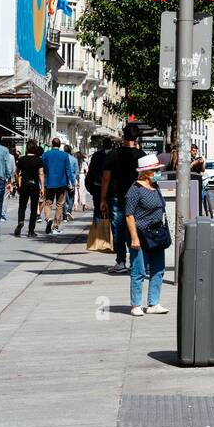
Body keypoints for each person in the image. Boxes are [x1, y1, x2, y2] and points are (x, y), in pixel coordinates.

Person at [124, 154, 172, 317]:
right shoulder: (135, 189)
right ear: (145, 172)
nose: (158, 172)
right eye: (155, 170)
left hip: (156, 234)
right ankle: (136, 304)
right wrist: (134, 238)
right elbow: (129, 215)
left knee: (158, 269)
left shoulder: (155, 186)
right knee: (139, 270)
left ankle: (153, 303)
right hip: (141, 234)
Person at [99, 125, 142, 276]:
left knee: (117, 230)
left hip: (116, 196)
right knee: (133, 229)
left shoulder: (113, 155)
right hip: (136, 198)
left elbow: (105, 179)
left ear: (123, 136)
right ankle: (135, 262)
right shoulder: (141, 155)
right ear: (137, 138)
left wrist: (103, 199)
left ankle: (121, 261)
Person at [40, 138, 70, 234]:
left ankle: (48, 218)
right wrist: (72, 182)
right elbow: (68, 170)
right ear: (60, 145)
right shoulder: (65, 155)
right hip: (62, 182)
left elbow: (43, 168)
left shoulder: (45, 155)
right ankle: (55, 226)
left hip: (49, 183)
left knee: (48, 202)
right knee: (59, 204)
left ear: (52, 144)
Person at [14, 142, 44, 236]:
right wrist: (42, 187)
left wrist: (18, 184)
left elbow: (16, 173)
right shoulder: (39, 160)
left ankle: (21, 221)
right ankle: (31, 230)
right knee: (34, 208)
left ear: (27, 149)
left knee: (22, 206)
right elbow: (41, 173)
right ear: (35, 149)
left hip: (24, 185)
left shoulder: (21, 159)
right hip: (34, 185)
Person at [84, 138, 108, 215]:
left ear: (102, 145)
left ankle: (99, 226)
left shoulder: (96, 156)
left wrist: (90, 188)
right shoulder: (115, 155)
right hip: (110, 189)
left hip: (98, 186)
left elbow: (91, 172)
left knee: (98, 211)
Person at [62, 144, 79, 221]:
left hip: (63, 180)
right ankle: (69, 210)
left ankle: (64, 217)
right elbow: (77, 172)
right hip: (71, 180)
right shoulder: (74, 159)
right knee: (71, 197)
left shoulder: (62, 159)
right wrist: (77, 181)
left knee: (63, 199)